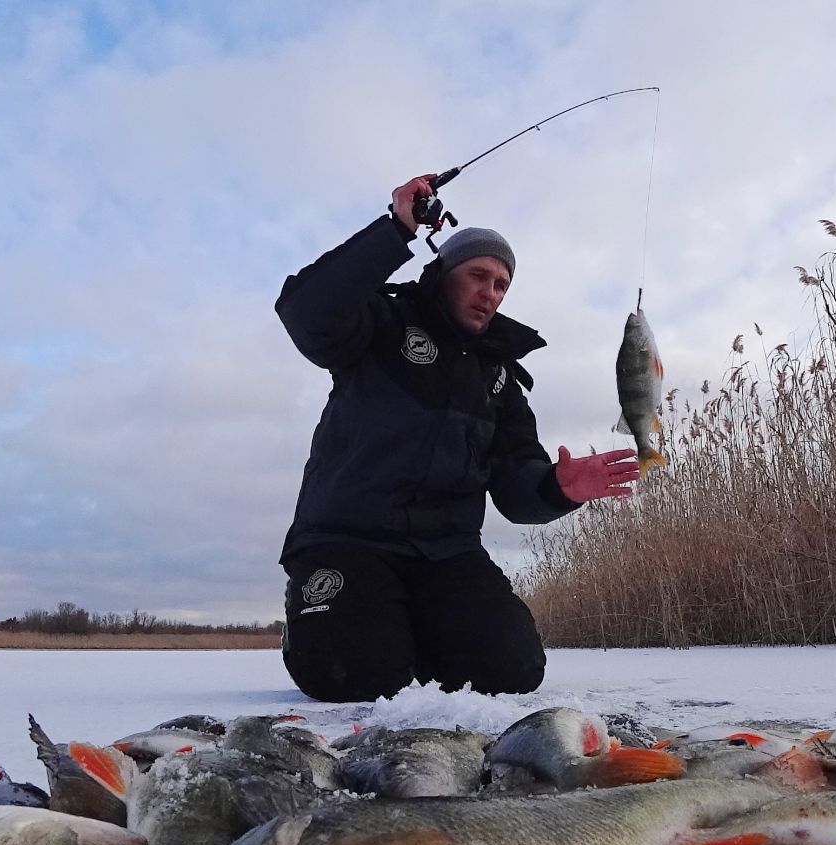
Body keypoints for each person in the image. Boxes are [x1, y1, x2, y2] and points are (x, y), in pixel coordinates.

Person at [273, 174, 640, 703]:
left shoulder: (499, 378)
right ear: (446, 272)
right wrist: (396, 229)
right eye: (479, 275)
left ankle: (407, 638)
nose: (491, 292)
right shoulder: (380, 323)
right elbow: (306, 313)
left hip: (447, 554)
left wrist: (558, 488)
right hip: (347, 539)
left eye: (502, 284)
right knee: (350, 673)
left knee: (511, 670)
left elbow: (518, 487)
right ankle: (322, 622)